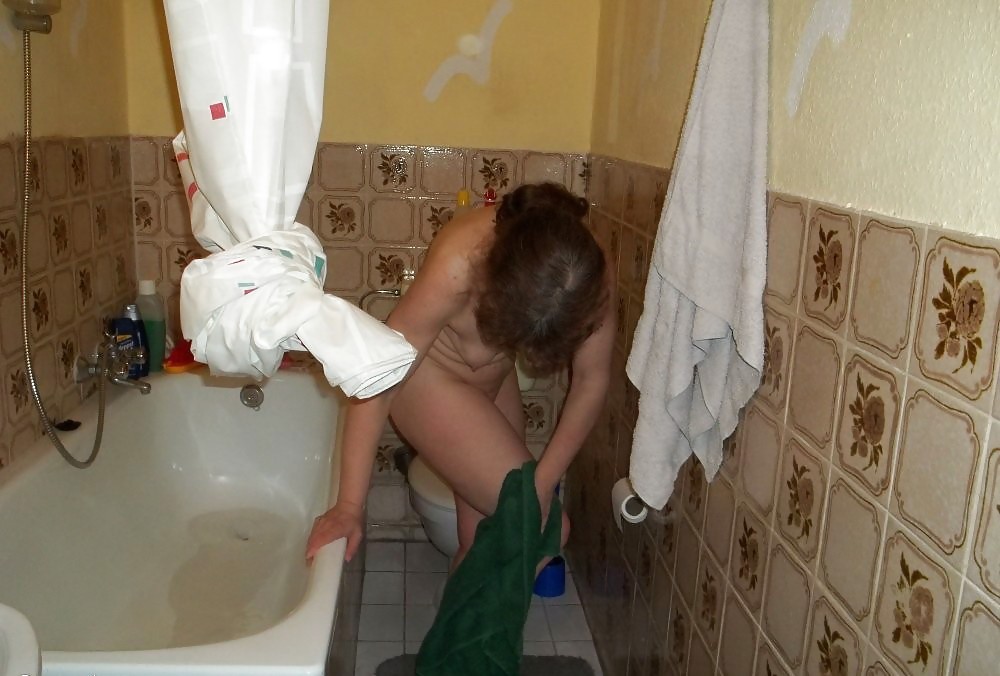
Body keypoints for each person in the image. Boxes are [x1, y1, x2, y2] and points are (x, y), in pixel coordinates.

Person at [305, 182, 616, 571]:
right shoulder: (459, 263)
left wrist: (543, 481)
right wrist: (349, 506)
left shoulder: (587, 277)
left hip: (495, 380)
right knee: (540, 530)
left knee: (487, 539)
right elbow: (381, 381)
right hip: (428, 377)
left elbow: (590, 380)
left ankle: (464, 612)